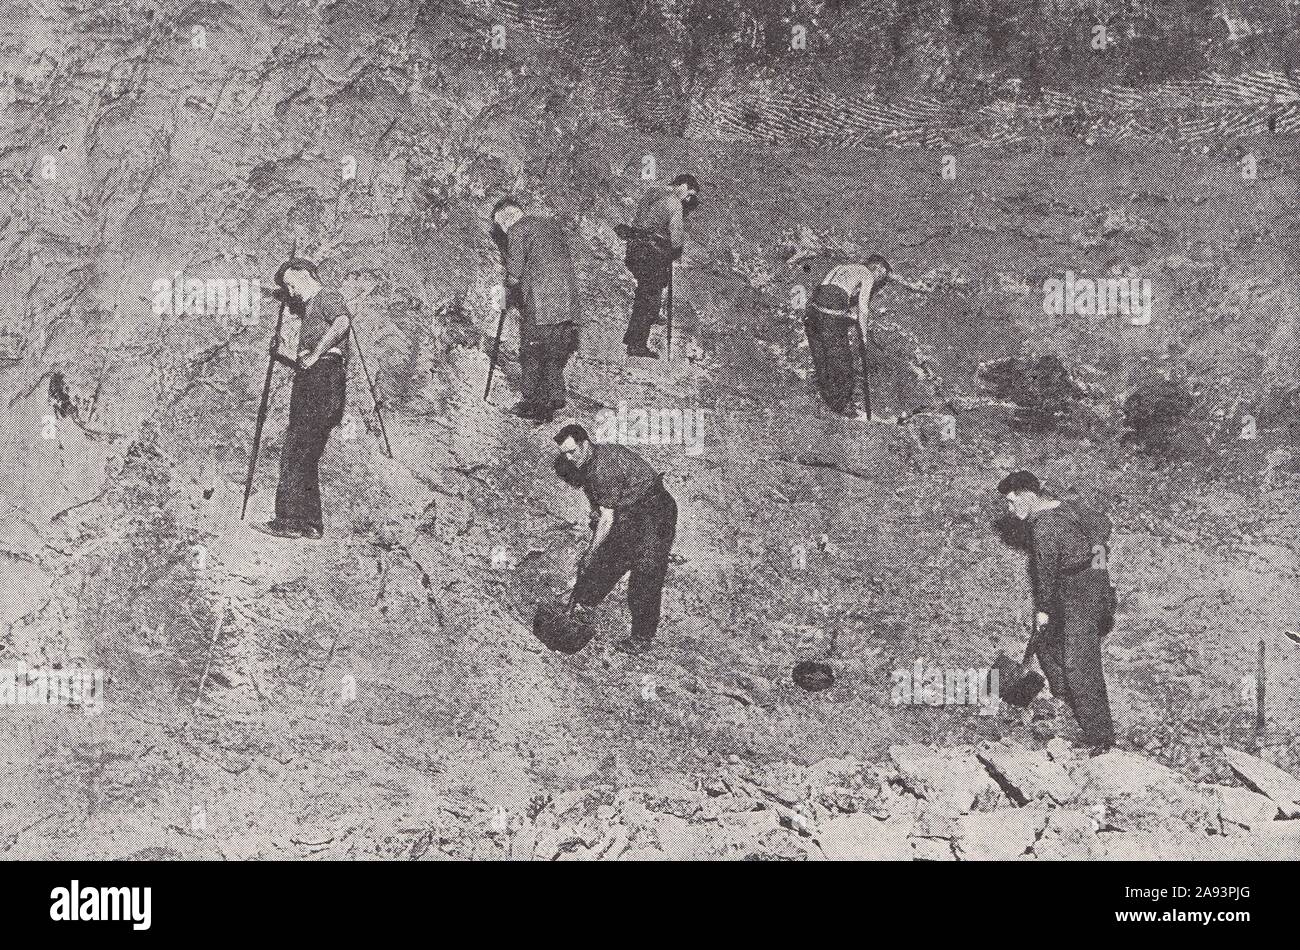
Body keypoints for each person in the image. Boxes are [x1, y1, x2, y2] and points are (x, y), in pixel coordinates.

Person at [998, 470, 1116, 753]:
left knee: (1081, 665)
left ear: (1028, 497)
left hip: (1080, 598)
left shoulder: (1044, 528)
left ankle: (1100, 736)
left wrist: (1043, 610)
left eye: (1012, 502)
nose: (1009, 509)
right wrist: (1098, 565)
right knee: (1047, 643)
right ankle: (1065, 696)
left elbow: (1045, 574)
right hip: (1093, 586)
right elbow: (1103, 526)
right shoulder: (1068, 506)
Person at [553, 424, 677, 653]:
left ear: (585, 444)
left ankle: (641, 638)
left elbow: (607, 520)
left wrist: (590, 552)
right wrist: (595, 510)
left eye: (572, 451)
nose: (569, 459)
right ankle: (583, 604)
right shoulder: (589, 462)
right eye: (565, 454)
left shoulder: (604, 468)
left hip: (655, 512)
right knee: (609, 559)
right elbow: (599, 498)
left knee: (645, 573)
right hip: (630, 511)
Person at [252, 258, 350, 540]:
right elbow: (306, 361)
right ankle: (310, 523)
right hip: (319, 379)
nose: (290, 291)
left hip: (321, 378)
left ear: (303, 274)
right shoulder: (311, 309)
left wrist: (317, 352)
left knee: (296, 448)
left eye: (290, 283)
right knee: (305, 452)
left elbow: (343, 322)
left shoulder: (326, 297)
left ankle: (291, 520)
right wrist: (281, 355)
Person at [492, 197, 582, 424]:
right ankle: (556, 395)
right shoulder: (550, 224)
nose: (503, 231)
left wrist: (504, 294)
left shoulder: (517, 229)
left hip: (541, 302)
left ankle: (534, 404)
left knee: (533, 352)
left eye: (501, 226)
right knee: (555, 352)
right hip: (568, 302)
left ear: (507, 218)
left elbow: (514, 273)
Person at [621, 173, 700, 358]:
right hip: (651, 255)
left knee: (644, 293)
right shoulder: (674, 204)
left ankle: (637, 333)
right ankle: (637, 345)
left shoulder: (653, 192)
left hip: (634, 249)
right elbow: (677, 240)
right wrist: (673, 251)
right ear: (683, 186)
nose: (688, 199)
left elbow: (641, 220)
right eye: (690, 194)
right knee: (650, 299)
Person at [801, 255, 890, 418]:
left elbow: (824, 290)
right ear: (876, 269)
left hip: (813, 310)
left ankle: (828, 400)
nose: (879, 280)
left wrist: (842, 313)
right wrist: (863, 337)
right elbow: (863, 309)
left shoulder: (841, 267)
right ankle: (842, 405)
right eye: (881, 276)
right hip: (831, 310)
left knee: (822, 357)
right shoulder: (867, 274)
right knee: (841, 359)